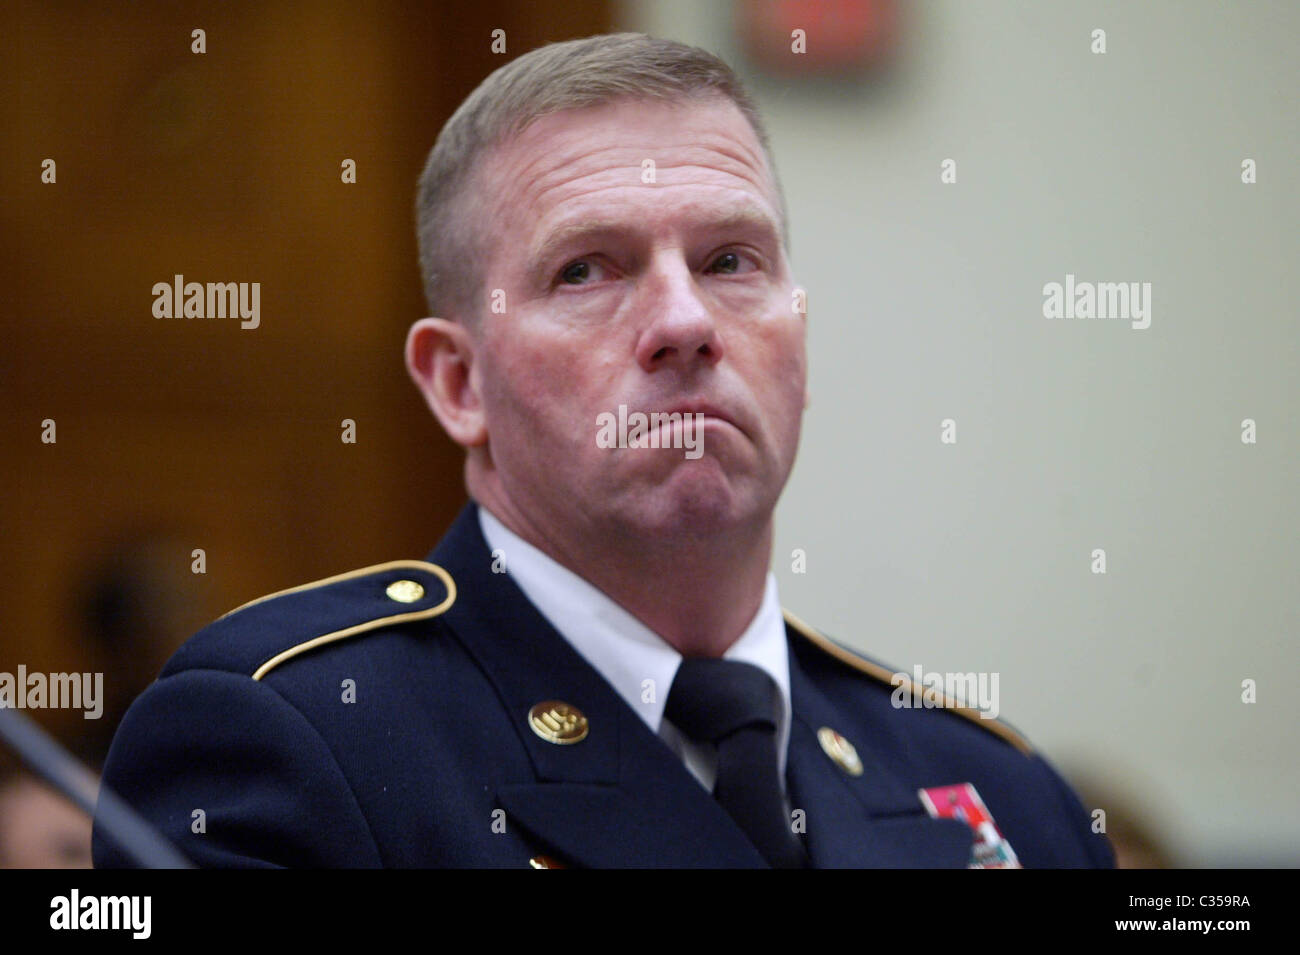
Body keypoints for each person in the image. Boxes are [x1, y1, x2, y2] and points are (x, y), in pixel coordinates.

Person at [92, 32, 1113, 869]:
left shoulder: (1003, 795)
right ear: (458, 382)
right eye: (586, 269)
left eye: (729, 260)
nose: (684, 320)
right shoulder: (294, 741)